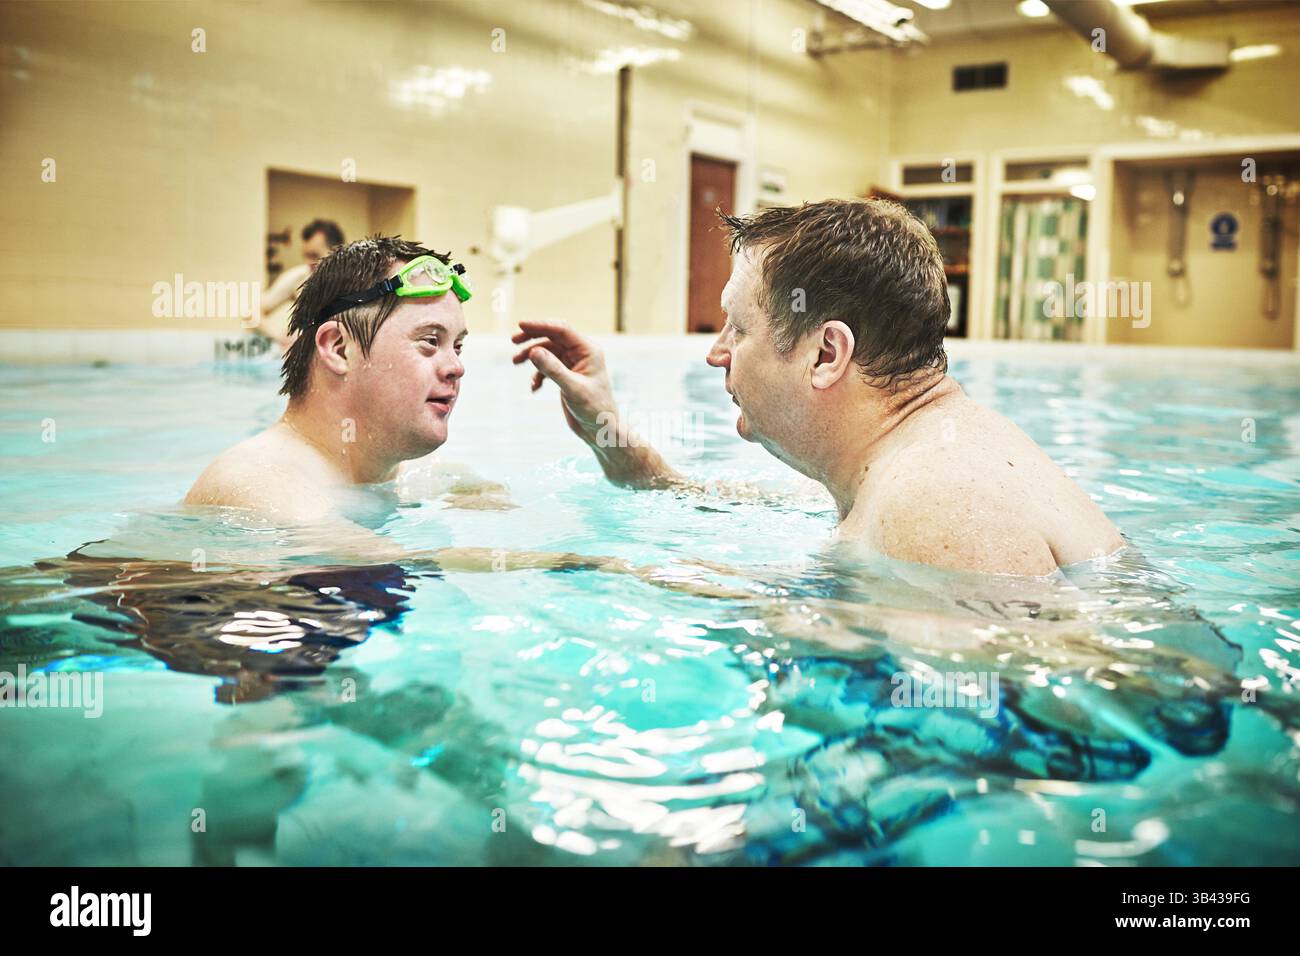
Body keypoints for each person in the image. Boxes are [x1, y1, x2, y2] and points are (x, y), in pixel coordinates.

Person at [514, 198, 1124, 576]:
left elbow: (1009, 735)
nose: (715, 352)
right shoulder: (913, 464)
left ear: (826, 354)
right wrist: (608, 432)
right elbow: (718, 503)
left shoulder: (934, 502)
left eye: (738, 327)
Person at [256, 219, 346, 350]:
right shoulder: (300, 277)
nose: (309, 262)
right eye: (306, 255)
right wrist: (279, 336)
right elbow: (252, 313)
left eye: (315, 255)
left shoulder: (357, 282)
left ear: (337, 252)